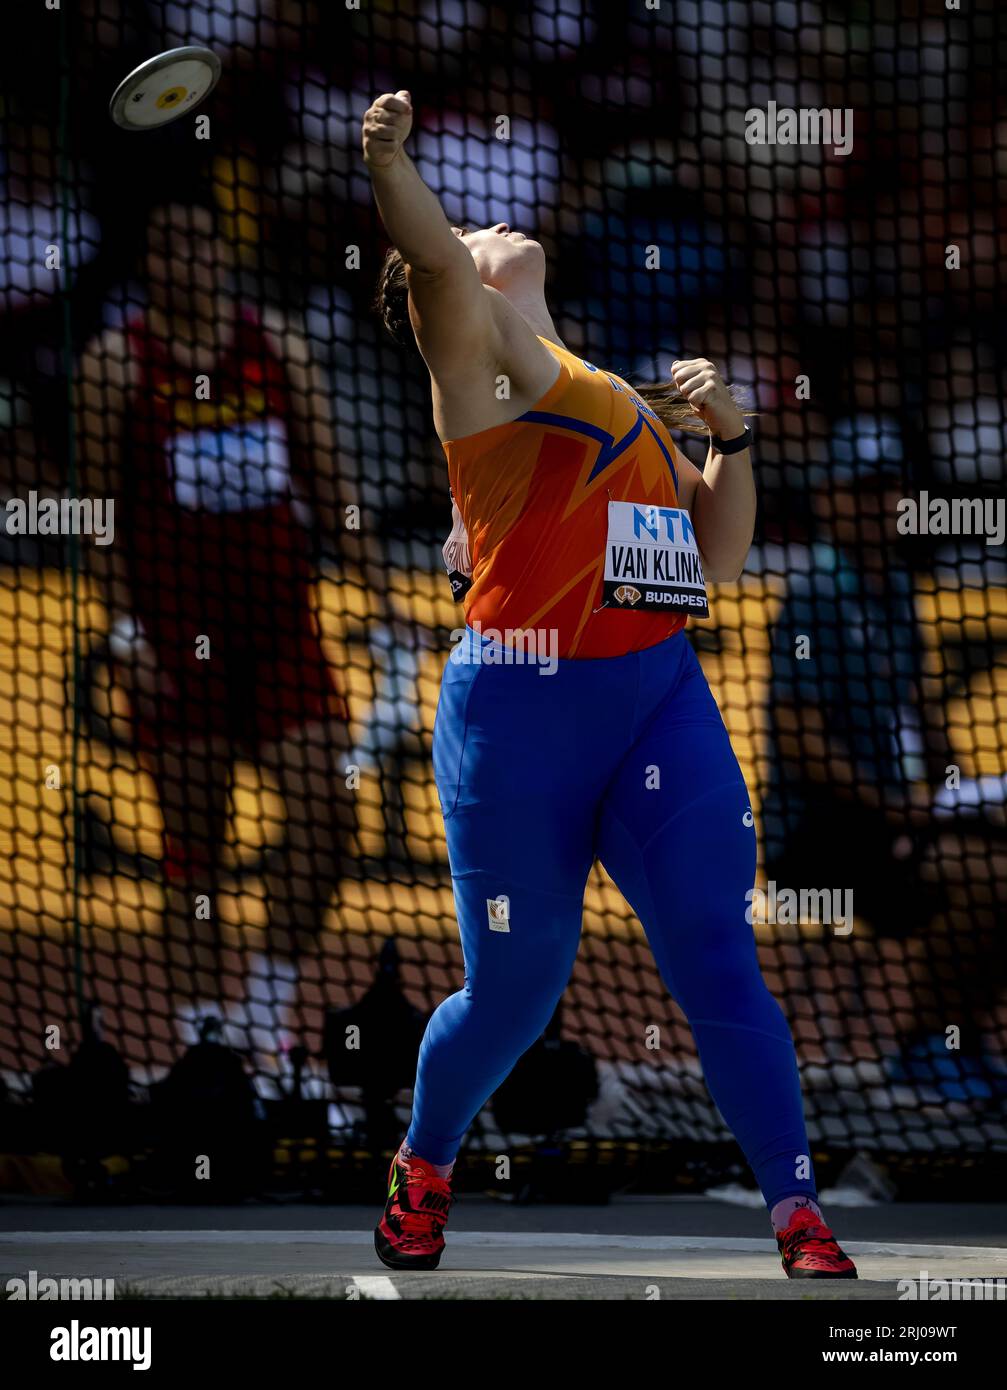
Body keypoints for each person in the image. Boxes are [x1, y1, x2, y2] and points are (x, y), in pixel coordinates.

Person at [363, 91, 856, 1279]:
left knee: (713, 955)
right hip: (516, 716)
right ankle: (423, 1166)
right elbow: (428, 254)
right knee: (518, 994)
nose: (487, 235)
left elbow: (713, 566)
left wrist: (729, 446)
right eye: (468, 240)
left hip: (653, 698)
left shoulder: (600, 383)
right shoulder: (474, 362)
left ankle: (795, 1211)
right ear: (453, 292)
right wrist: (385, 161)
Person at [77, 201, 356, 988]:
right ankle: (205, 1029)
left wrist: (379, 587)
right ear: (148, 264)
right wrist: (127, 641)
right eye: (169, 246)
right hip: (173, 638)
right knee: (195, 848)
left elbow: (331, 485)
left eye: (201, 242)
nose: (188, 259)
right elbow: (98, 522)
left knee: (330, 818)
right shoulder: (114, 364)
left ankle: (265, 1007)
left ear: (222, 255)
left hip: (278, 630)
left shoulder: (276, 348)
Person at [763, 416, 1007, 1099]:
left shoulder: (897, 591)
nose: (877, 506)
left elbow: (922, 714)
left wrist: (961, 789)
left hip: (899, 819)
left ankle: (958, 1037)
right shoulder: (812, 597)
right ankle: (920, 1047)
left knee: (994, 864)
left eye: (887, 490)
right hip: (821, 834)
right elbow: (798, 738)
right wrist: (895, 808)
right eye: (860, 491)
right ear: (827, 499)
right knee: (984, 882)